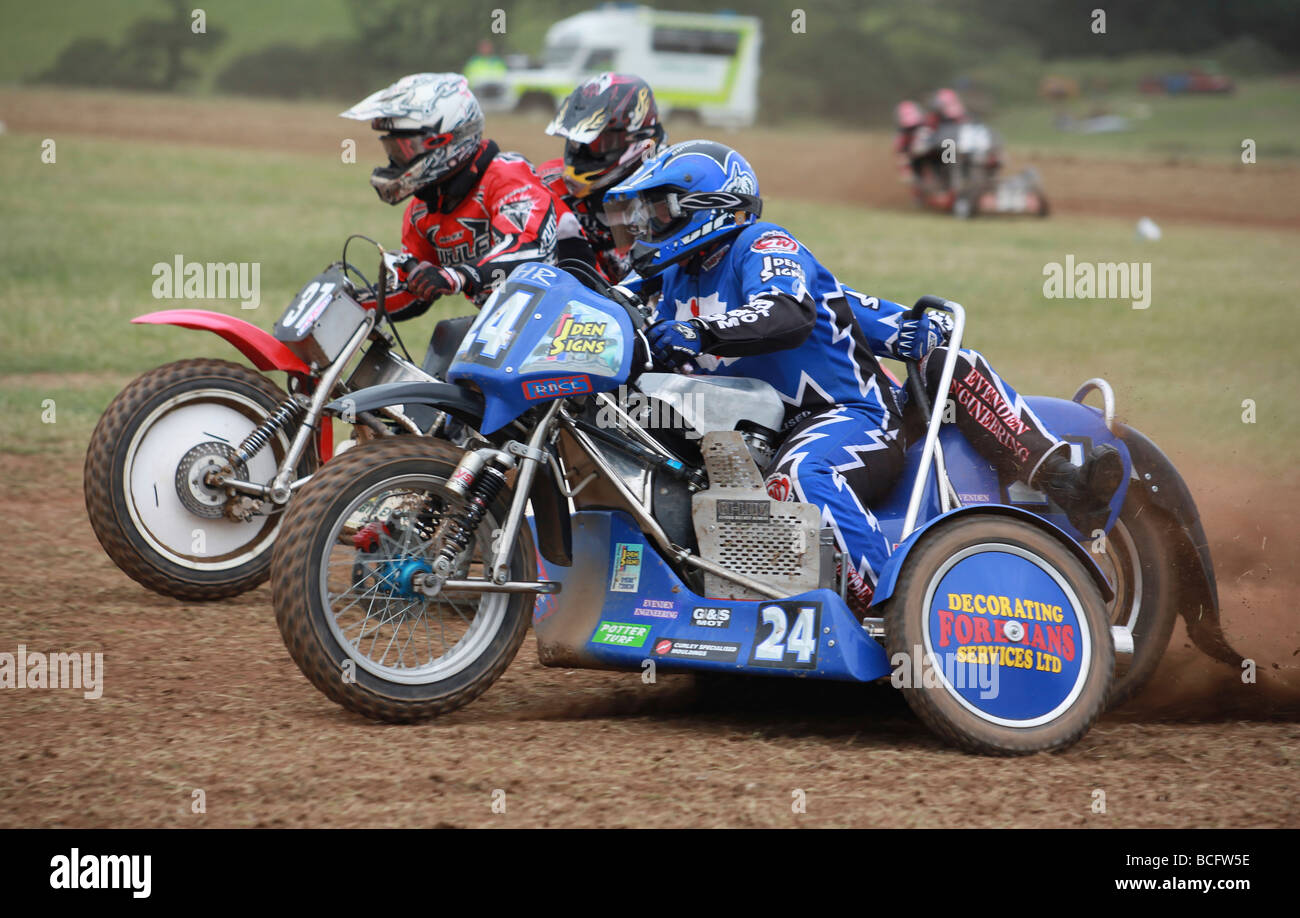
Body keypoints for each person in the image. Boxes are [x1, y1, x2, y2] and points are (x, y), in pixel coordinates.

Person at [602, 140, 1122, 613]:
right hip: (755, 427)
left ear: (708, 209)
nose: (646, 226)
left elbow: (786, 312)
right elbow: (609, 308)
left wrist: (698, 333)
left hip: (850, 416)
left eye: (660, 209)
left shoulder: (762, 245)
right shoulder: (666, 275)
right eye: (643, 212)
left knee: (804, 475)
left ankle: (891, 608)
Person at [340, 72, 577, 317]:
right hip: (509, 327)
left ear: (446, 141)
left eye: (406, 149)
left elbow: (529, 249)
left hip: (579, 318)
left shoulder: (506, 175)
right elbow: (411, 293)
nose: (397, 161)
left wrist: (458, 275)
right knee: (445, 342)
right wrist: (348, 302)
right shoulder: (423, 209)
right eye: (393, 150)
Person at [537, 72, 667, 282]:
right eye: (578, 142)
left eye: (598, 142)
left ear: (637, 136)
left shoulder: (670, 183)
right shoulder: (551, 185)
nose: (584, 151)